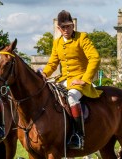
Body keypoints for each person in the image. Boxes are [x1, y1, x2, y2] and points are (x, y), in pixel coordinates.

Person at [42, 10, 102, 150]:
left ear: (73, 26)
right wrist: (44, 74)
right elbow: (52, 63)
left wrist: (85, 80)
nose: (66, 29)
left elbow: (95, 58)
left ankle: (78, 135)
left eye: (68, 26)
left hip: (81, 80)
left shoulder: (82, 38)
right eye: (63, 27)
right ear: (59, 28)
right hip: (64, 79)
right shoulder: (57, 43)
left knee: (71, 99)